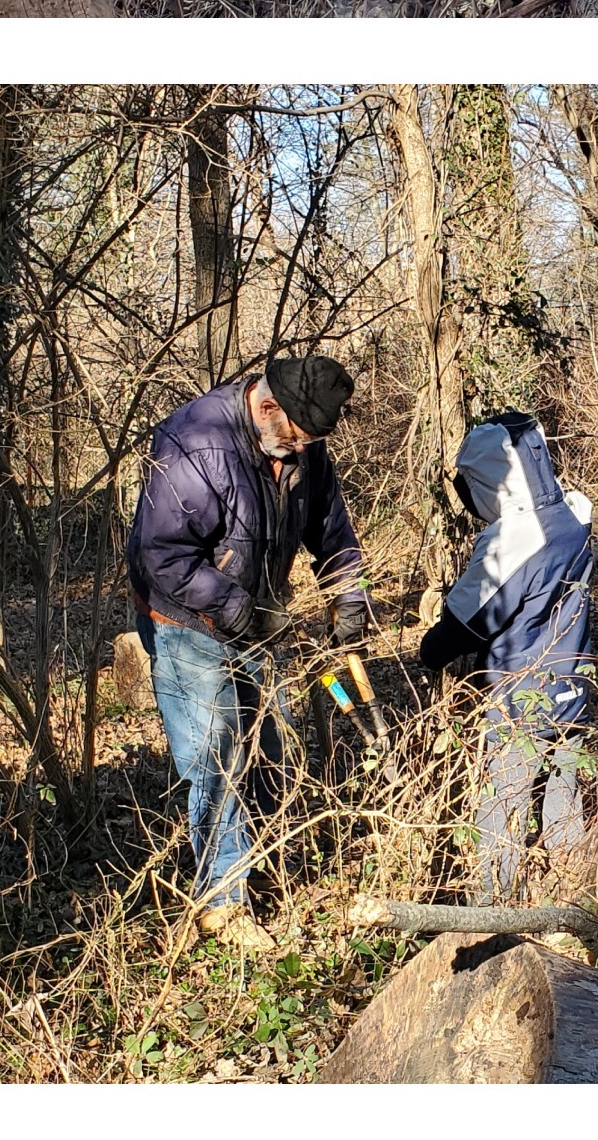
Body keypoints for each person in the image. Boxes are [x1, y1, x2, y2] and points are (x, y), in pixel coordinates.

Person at [126, 355, 368, 952]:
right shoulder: (195, 444)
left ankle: (267, 868)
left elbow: (331, 533)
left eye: (309, 446)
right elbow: (162, 557)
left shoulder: (305, 448)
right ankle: (224, 902)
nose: (298, 456)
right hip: (186, 622)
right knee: (215, 755)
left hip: (259, 618)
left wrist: (348, 596)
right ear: (266, 407)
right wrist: (233, 607)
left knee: (271, 744)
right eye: (292, 443)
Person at [417, 415, 597, 903]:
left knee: (501, 807)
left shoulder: (516, 540)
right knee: (563, 797)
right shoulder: (574, 515)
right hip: (573, 688)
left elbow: (463, 626)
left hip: (523, 698)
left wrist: (427, 651)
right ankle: (576, 894)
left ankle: (494, 907)